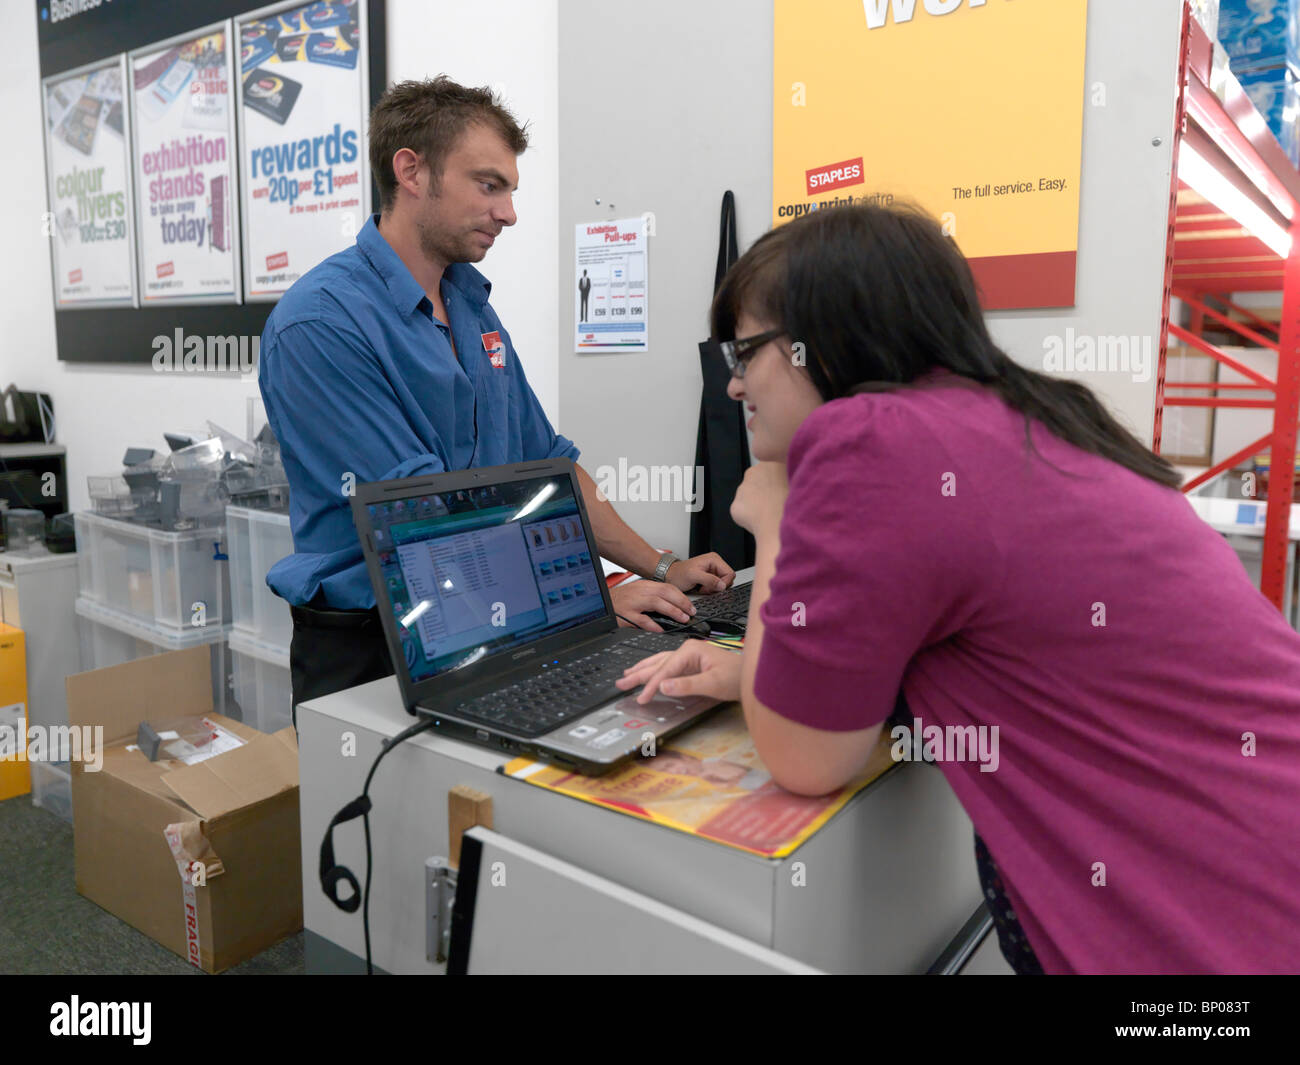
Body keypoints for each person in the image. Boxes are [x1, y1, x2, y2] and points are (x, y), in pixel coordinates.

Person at [616, 202, 1300, 975]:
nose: (735, 387)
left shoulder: (869, 440)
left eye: (746, 352)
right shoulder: (1032, 414)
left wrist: (776, 517)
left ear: (832, 335)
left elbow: (804, 757)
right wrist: (753, 673)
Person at [259, 76, 733, 706]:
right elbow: (422, 523)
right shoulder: (321, 323)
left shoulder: (470, 304)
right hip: (380, 644)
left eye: (510, 190)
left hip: (503, 617)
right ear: (412, 172)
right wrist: (591, 603)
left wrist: (663, 566)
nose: (509, 212)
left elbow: (550, 467)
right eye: (489, 185)